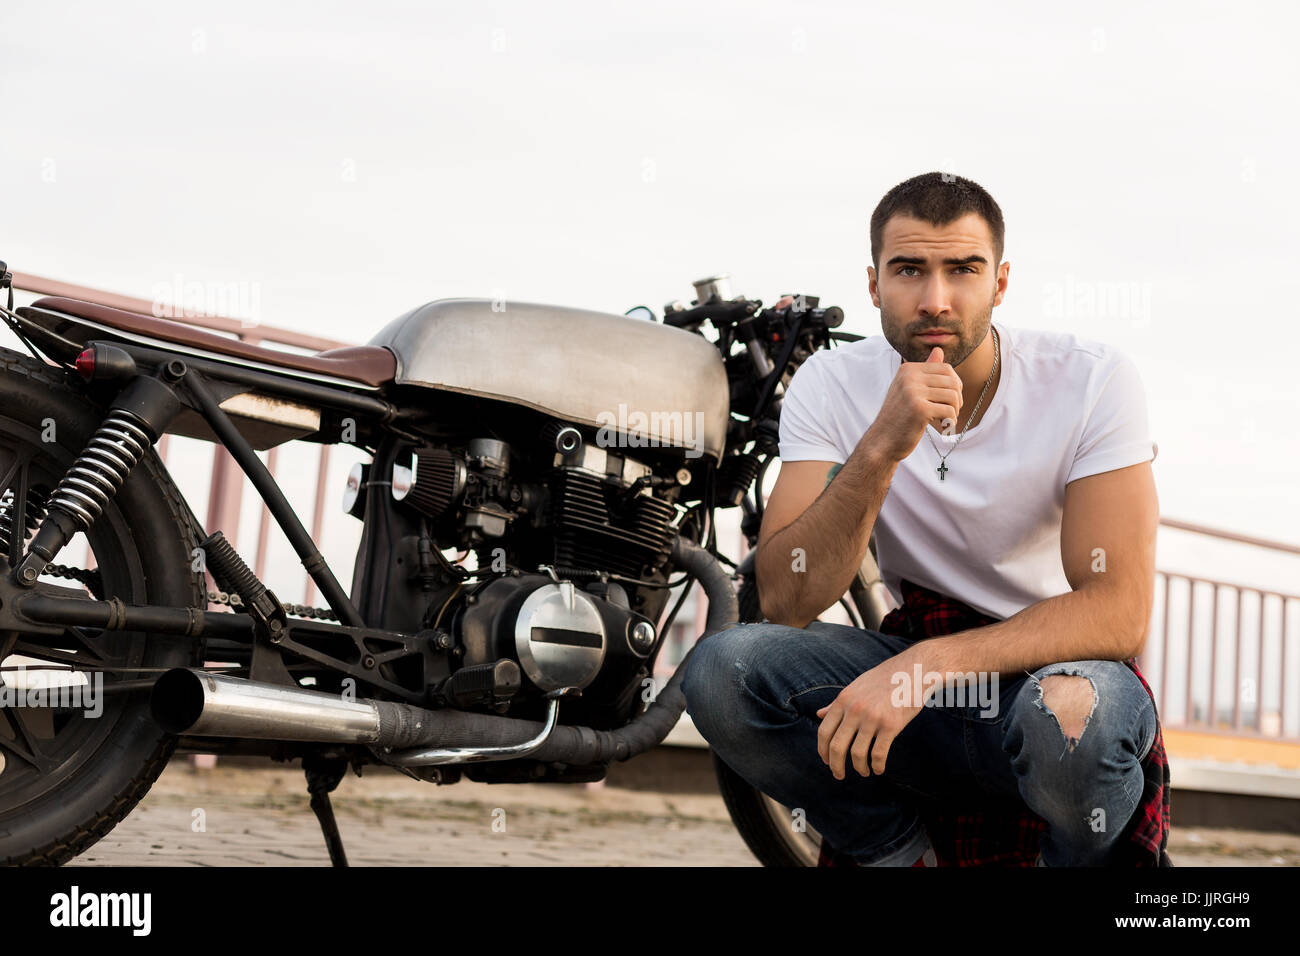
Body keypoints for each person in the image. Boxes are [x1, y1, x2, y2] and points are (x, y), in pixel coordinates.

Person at [681, 171, 1169, 867]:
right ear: (874, 284)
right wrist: (882, 444)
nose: (935, 300)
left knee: (1070, 717)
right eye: (909, 270)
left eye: (962, 270)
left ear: (1000, 284)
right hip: (923, 697)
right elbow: (789, 597)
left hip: (1048, 676)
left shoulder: (1090, 382)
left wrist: (925, 664)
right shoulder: (833, 382)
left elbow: (1117, 613)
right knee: (724, 672)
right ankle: (898, 854)